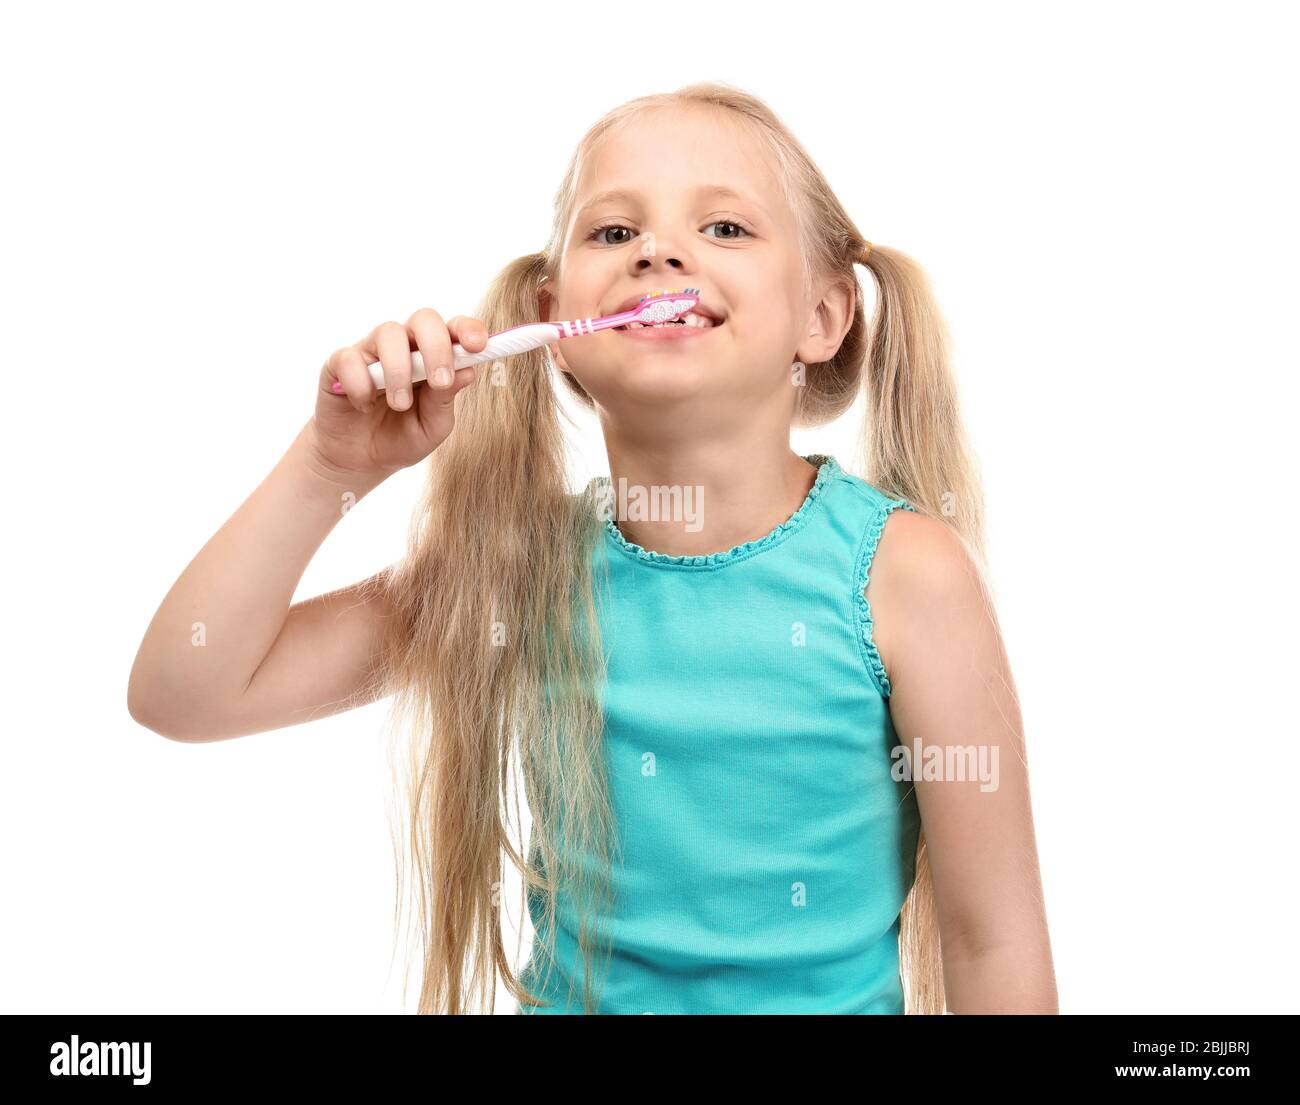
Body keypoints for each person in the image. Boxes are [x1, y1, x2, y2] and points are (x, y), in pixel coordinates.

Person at [128, 81, 1056, 1015]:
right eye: (613, 233)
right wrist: (332, 464)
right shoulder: (515, 570)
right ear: (555, 325)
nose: (658, 250)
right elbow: (186, 690)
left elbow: (995, 949)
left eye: (726, 227)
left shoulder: (906, 574)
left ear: (821, 316)